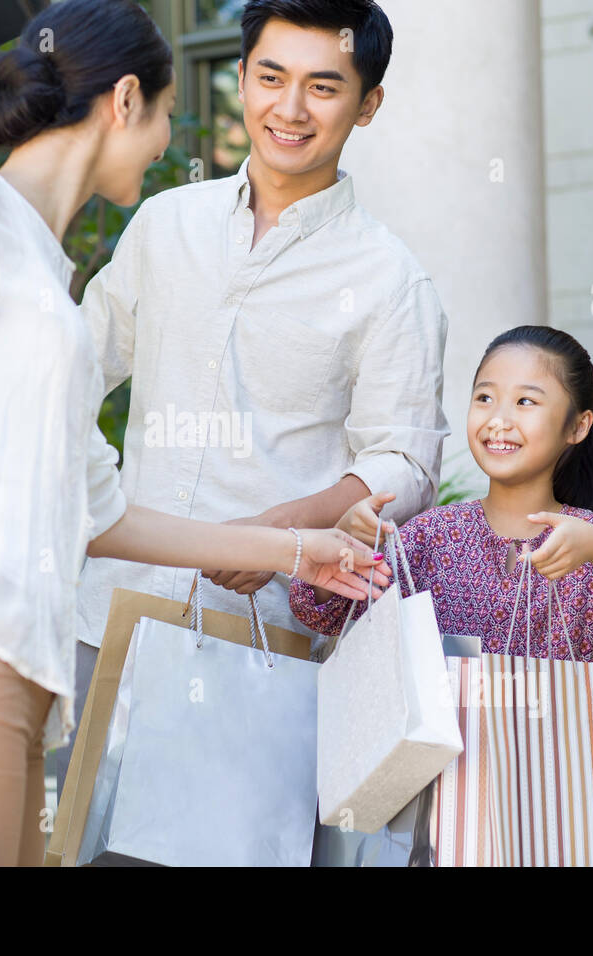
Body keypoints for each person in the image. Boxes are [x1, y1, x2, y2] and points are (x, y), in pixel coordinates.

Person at [0, 0, 388, 869]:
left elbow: (99, 513)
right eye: (170, 113)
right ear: (124, 99)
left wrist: (296, 551)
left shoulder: (43, 278)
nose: (170, 141)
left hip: (25, 680)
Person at [58, 0, 449, 797]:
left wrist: (275, 532)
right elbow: (67, 370)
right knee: (66, 842)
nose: (291, 108)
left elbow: (403, 461)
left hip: (259, 637)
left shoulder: (390, 279)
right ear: (241, 79)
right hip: (106, 616)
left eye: (324, 86)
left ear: (368, 104)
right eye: (271, 77)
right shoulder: (165, 226)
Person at [291, 325, 593, 654]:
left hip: (553, 757)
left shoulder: (590, 536)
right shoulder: (433, 534)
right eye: (485, 397)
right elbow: (320, 613)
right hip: (446, 760)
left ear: (578, 426)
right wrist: (345, 543)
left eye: (526, 402)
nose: (499, 420)